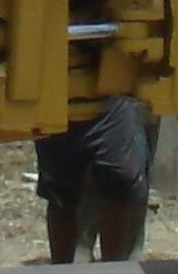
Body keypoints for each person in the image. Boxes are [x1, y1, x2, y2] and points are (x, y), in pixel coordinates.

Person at [35, 95, 149, 263]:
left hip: (110, 100)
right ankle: (60, 271)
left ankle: (114, 273)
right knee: (60, 191)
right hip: (56, 98)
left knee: (119, 181)